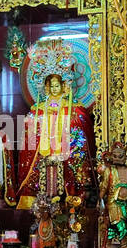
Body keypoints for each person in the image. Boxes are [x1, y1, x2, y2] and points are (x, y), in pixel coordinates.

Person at [16, 72, 92, 207]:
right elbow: (31, 122)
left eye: (57, 85)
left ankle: (72, 197)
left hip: (63, 144)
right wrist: (38, 119)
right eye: (52, 86)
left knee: (71, 165)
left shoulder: (71, 104)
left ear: (63, 86)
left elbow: (81, 120)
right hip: (45, 145)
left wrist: (70, 117)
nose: (55, 89)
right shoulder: (39, 106)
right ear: (47, 87)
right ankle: (37, 199)